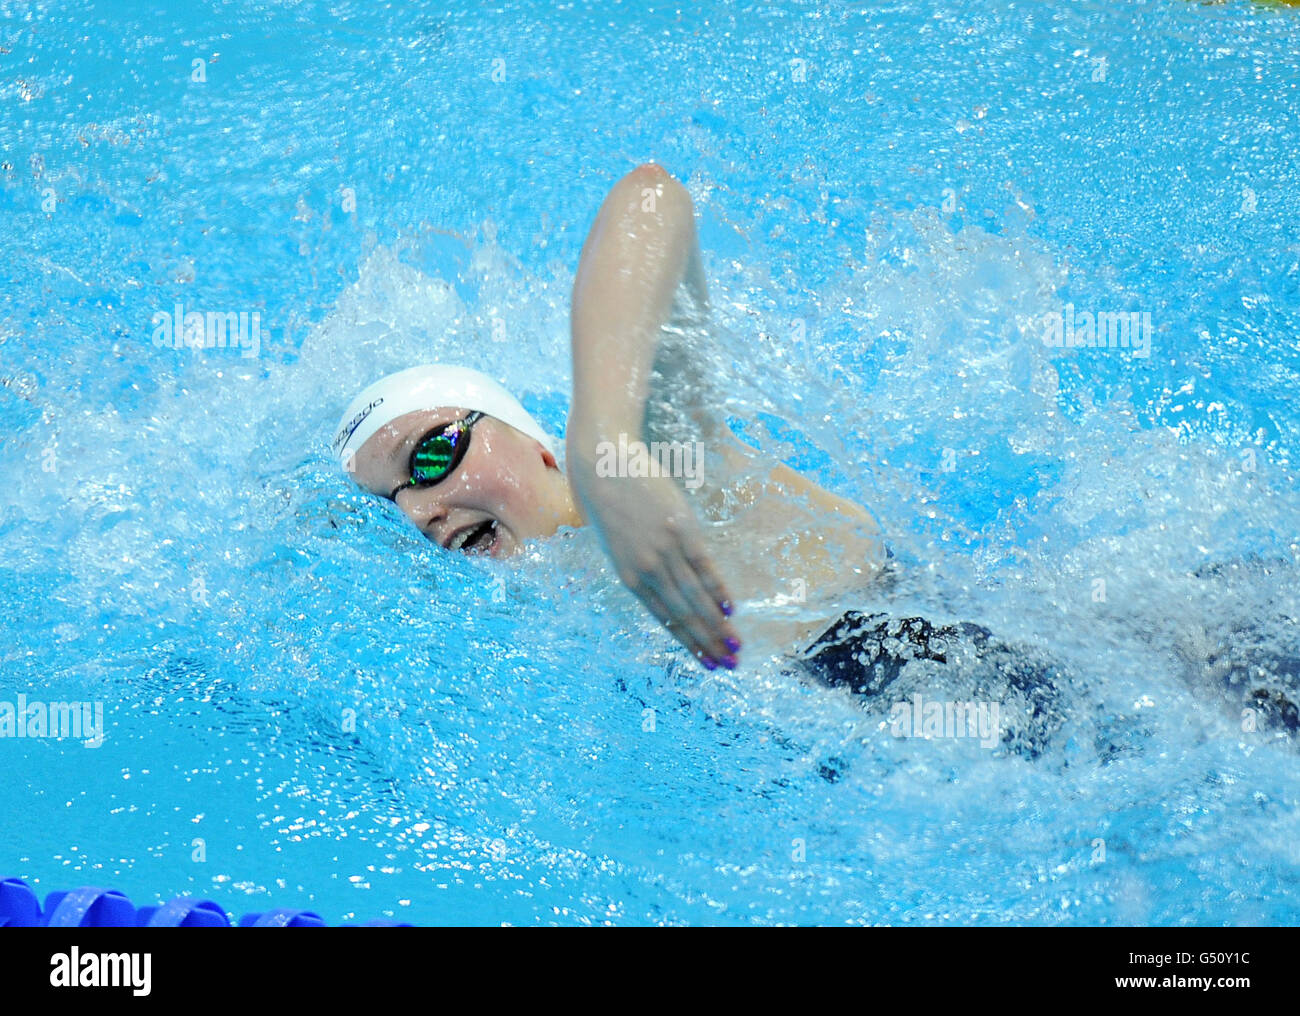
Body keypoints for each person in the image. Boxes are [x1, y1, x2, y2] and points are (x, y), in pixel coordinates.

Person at [333, 162, 885, 672]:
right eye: (389, 508)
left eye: (433, 455)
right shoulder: (558, 641)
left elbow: (651, 198)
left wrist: (607, 442)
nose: (417, 513)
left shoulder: (672, 474)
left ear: (537, 446)